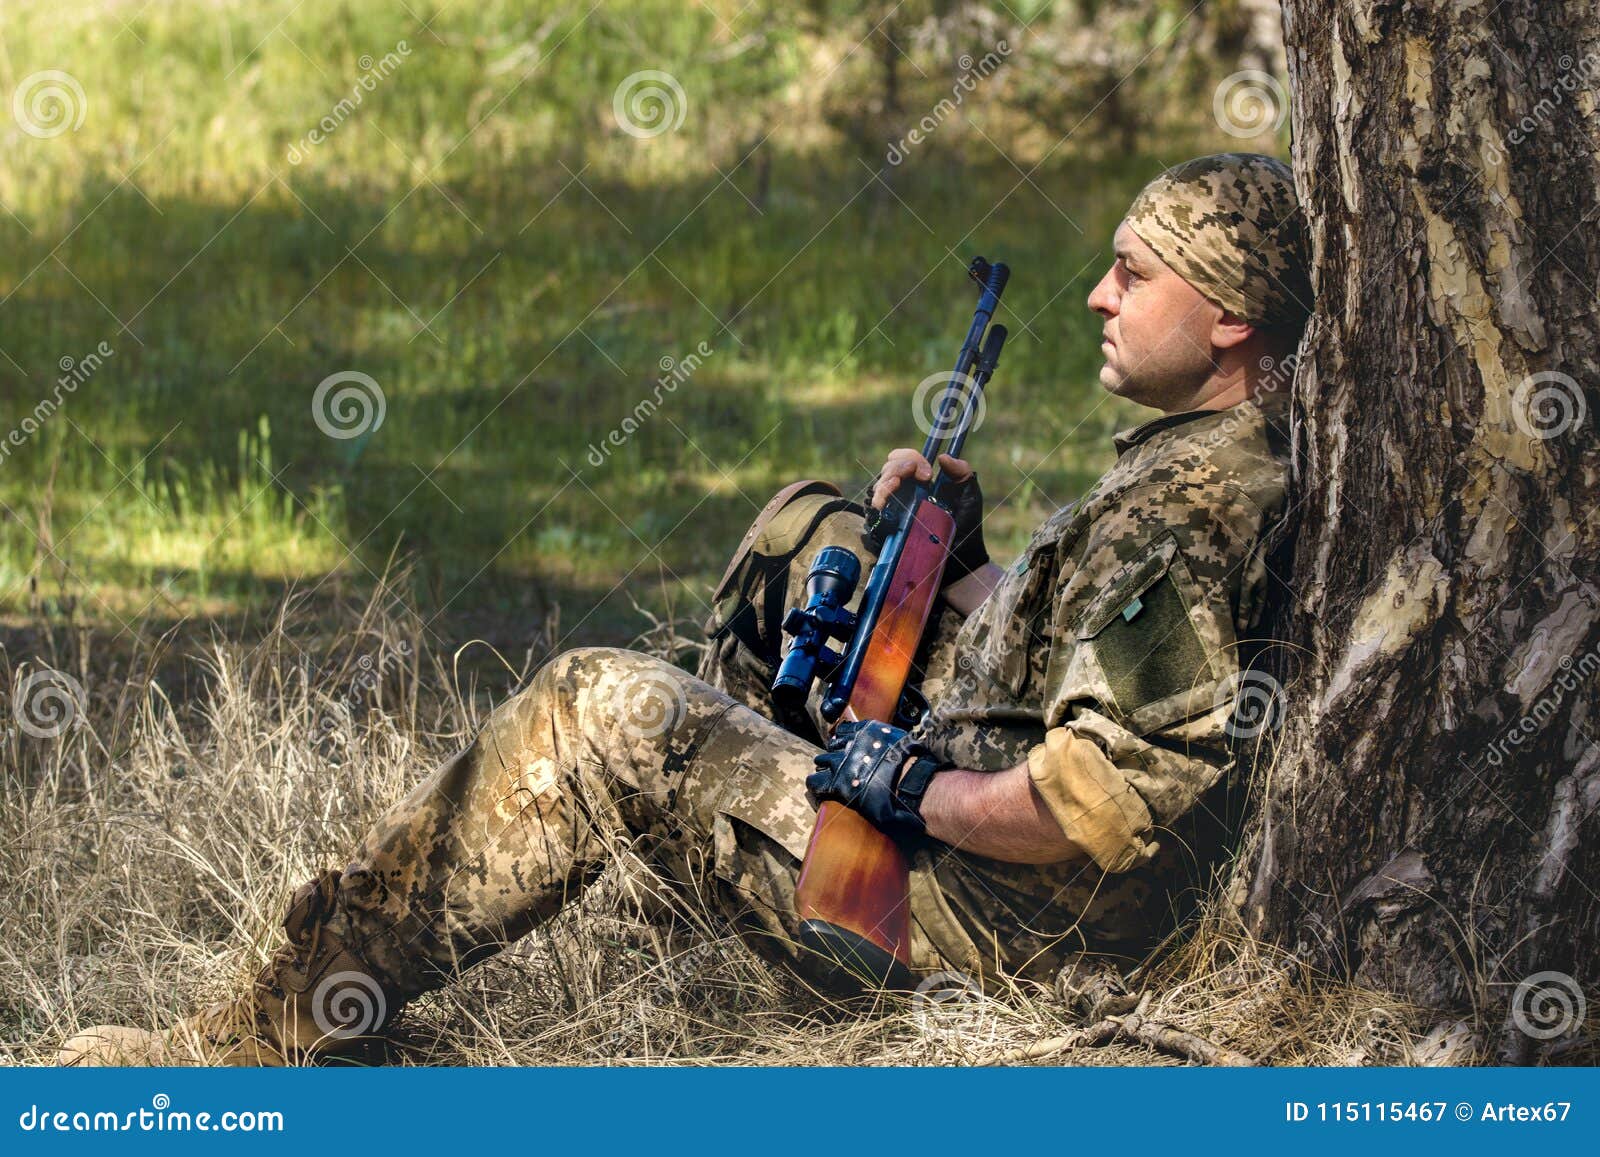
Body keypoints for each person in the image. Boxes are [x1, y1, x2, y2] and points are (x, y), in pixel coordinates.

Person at [58, 152, 1310, 1066]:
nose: (1097, 294)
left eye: (1133, 275)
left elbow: (1098, 799)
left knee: (596, 706)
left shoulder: (1182, 511)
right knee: (809, 533)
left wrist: (897, 786)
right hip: (986, 874)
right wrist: (970, 575)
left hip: (975, 918)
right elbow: (1070, 669)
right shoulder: (1186, 466)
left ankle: (249, 1043)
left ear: (1227, 317)